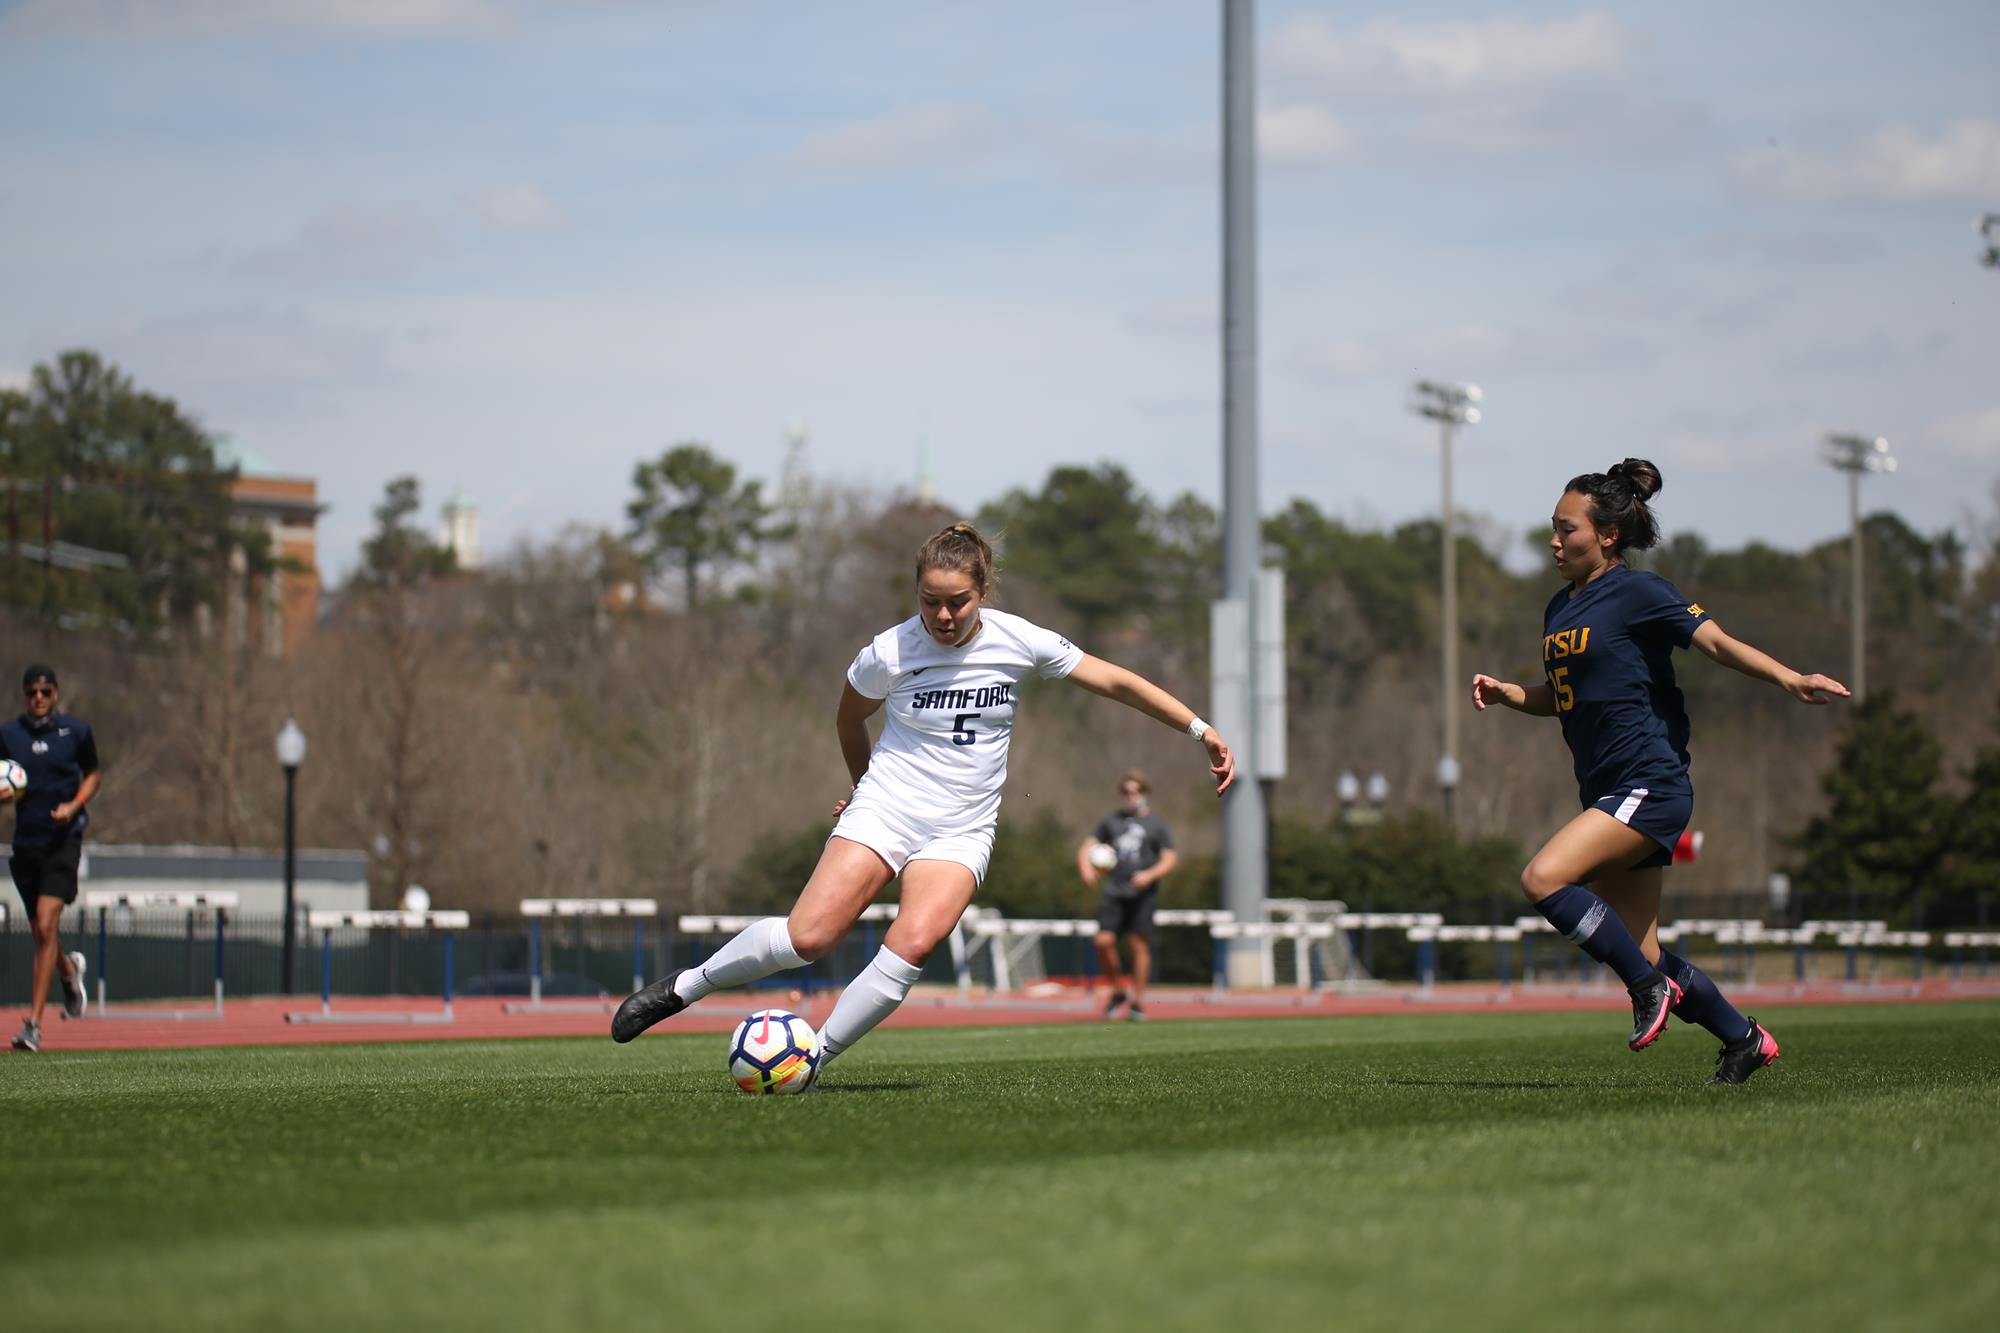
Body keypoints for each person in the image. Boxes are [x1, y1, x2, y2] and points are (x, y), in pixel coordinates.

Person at [612, 523, 1234, 1077]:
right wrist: (862, 789)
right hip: (886, 806)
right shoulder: (888, 653)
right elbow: (849, 722)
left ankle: (812, 1061)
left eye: (957, 602)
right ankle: (683, 989)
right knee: (810, 939)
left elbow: (1119, 682)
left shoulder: (1021, 643)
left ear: (983, 592)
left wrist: (1199, 730)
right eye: (930, 601)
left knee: (912, 945)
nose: (943, 615)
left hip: (962, 829)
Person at [1471, 460, 1847, 1085]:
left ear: (1608, 535)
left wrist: (1790, 677)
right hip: (1608, 791)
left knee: (1543, 879)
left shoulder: (1640, 593)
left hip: (1650, 784)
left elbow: (1717, 643)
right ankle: (1742, 1037)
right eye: (1553, 529)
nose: (1555, 541)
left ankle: (1648, 991)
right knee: (1643, 950)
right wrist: (1514, 694)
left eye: (1568, 530)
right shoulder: (1559, 608)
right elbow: (1565, 696)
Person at [1, 663, 100, 1053]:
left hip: (64, 841)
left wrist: (74, 805)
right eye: (31, 693)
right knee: (43, 934)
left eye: (44, 692)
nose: (38, 699)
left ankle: (33, 1025)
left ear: (55, 694)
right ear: (24, 696)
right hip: (26, 845)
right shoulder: (9, 735)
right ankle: (69, 969)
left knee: (45, 923)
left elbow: (93, 774)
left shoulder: (75, 732)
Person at [1078, 769, 1177, 1021]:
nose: (1130, 796)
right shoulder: (1112, 822)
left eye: (1135, 791)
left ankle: (1137, 1000)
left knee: (1138, 944)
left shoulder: (1156, 825)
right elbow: (1087, 846)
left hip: (1142, 893)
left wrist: (1150, 875)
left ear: (1144, 792)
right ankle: (1118, 990)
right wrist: (1086, 867)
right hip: (1115, 890)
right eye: (1125, 792)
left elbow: (1169, 858)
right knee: (1102, 941)